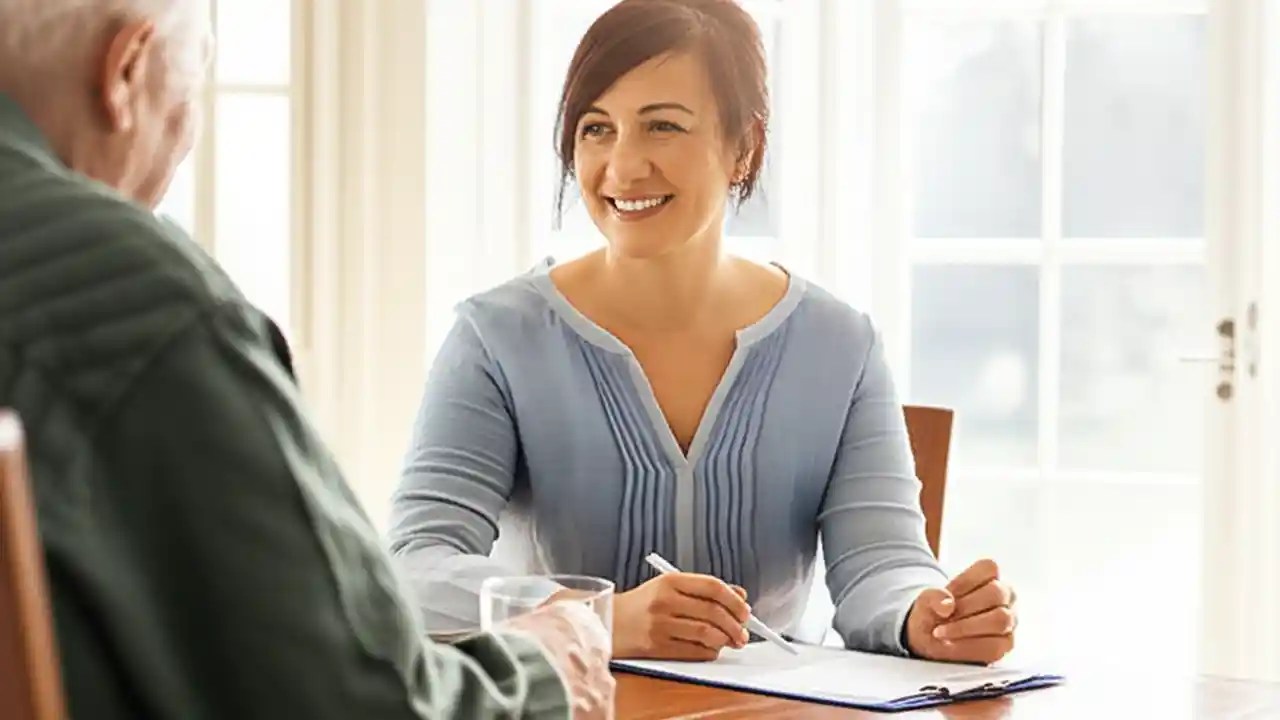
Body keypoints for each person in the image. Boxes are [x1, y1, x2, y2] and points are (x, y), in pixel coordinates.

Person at [0, 1, 613, 717]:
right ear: (126, 71)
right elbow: (359, 704)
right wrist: (547, 671)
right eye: (188, 97)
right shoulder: (129, 296)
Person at [390, 0, 1018, 665]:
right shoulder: (496, 337)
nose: (622, 167)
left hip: (772, 710)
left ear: (743, 146)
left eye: (662, 126)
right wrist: (598, 618)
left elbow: (882, 565)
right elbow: (413, 568)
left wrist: (930, 616)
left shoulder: (840, 344)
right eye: (597, 128)